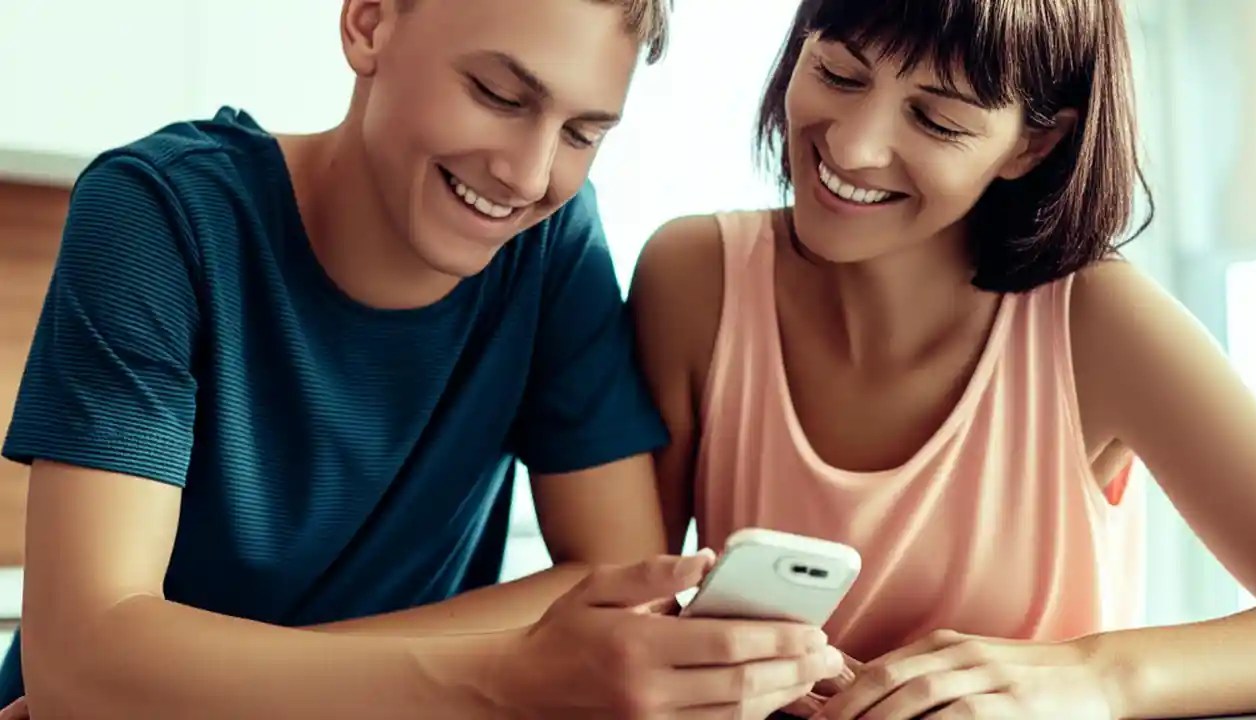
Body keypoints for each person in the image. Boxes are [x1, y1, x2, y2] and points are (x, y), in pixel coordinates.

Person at [0, 0, 846, 717]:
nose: (530, 174)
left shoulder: (551, 241)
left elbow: (624, 580)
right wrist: (506, 672)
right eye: (497, 94)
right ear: (369, 23)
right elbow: (80, 663)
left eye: (584, 132)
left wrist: (166, 685)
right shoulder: (161, 214)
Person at [630, 0, 1256, 717]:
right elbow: (623, 608)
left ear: (1033, 145)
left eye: (937, 120)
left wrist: (1092, 677)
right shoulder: (695, 280)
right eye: (838, 73)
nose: (853, 147)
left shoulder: (1097, 323)